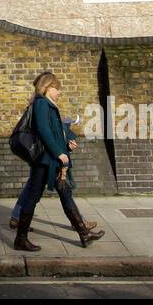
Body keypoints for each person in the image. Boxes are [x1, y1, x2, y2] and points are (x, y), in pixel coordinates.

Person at [13, 72, 104, 251]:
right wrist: (58, 152)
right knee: (33, 196)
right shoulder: (41, 103)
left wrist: (67, 146)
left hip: (51, 159)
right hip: (45, 160)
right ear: (47, 87)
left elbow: (55, 133)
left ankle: (84, 234)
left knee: (65, 193)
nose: (58, 92)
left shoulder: (49, 105)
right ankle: (20, 239)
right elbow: (44, 131)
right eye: (56, 88)